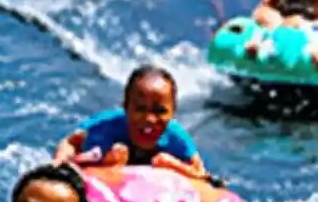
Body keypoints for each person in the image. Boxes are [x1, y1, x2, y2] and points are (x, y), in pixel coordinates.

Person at [52, 65, 211, 182]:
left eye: (160, 111)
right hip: (103, 168)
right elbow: (70, 142)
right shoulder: (106, 125)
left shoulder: (177, 138)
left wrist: (172, 165)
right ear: (125, 106)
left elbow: (200, 174)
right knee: (117, 153)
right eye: (140, 108)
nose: (149, 118)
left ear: (173, 112)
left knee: (162, 161)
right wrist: (60, 164)